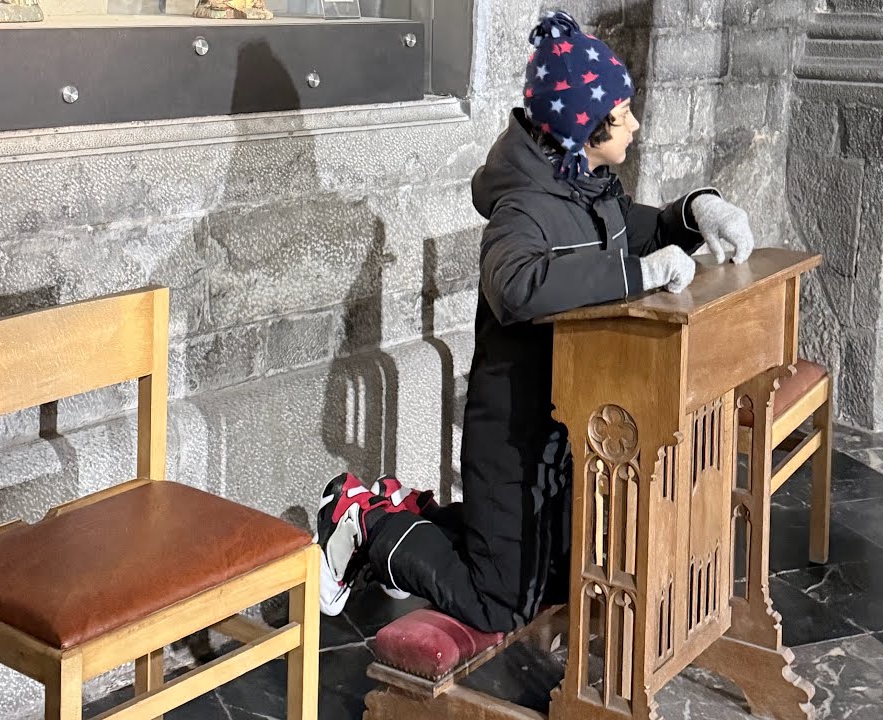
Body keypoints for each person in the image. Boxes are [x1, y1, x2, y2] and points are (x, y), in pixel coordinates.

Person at [313, 10, 757, 633]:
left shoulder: (586, 182)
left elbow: (632, 230)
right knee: (501, 606)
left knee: (555, 575)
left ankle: (398, 510)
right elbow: (516, 285)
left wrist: (697, 211)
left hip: (569, 422)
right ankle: (365, 524)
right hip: (513, 434)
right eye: (623, 112)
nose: (635, 123)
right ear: (583, 125)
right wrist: (642, 275)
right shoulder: (524, 204)